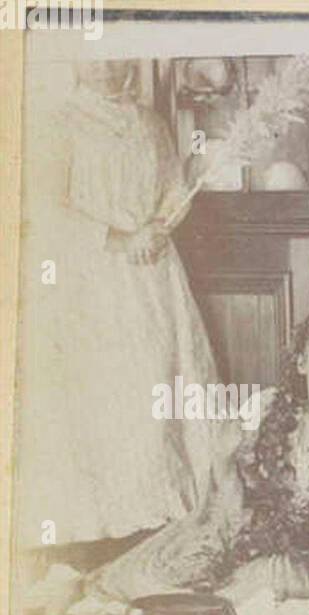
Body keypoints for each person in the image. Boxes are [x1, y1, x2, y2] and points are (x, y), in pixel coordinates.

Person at [20, 60, 222, 553]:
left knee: (157, 383)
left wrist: (164, 218)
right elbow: (44, 207)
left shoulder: (151, 122)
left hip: (153, 274)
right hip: (90, 277)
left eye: (118, 59)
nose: (108, 70)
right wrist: (119, 237)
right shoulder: (56, 122)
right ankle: (97, 540)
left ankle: (164, 524)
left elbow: (173, 187)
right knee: (104, 394)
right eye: (97, 60)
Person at [84, 304, 309, 612]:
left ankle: (214, 605)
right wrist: (234, 529)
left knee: (282, 578)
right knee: (155, 568)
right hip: (248, 530)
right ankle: (203, 599)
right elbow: (227, 486)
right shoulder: (266, 406)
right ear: (302, 363)